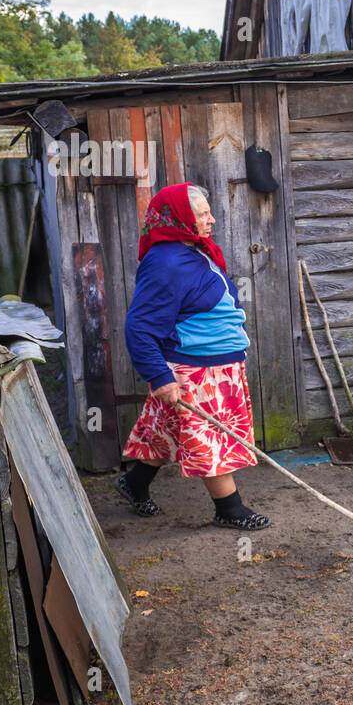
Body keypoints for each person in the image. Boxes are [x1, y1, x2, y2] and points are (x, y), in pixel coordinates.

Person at [117, 182, 270, 530]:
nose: (212, 220)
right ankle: (228, 509)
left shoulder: (191, 250)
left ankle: (134, 482)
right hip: (196, 371)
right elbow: (139, 326)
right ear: (180, 218)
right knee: (209, 438)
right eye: (202, 214)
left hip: (217, 366)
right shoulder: (166, 262)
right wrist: (160, 375)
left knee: (166, 430)